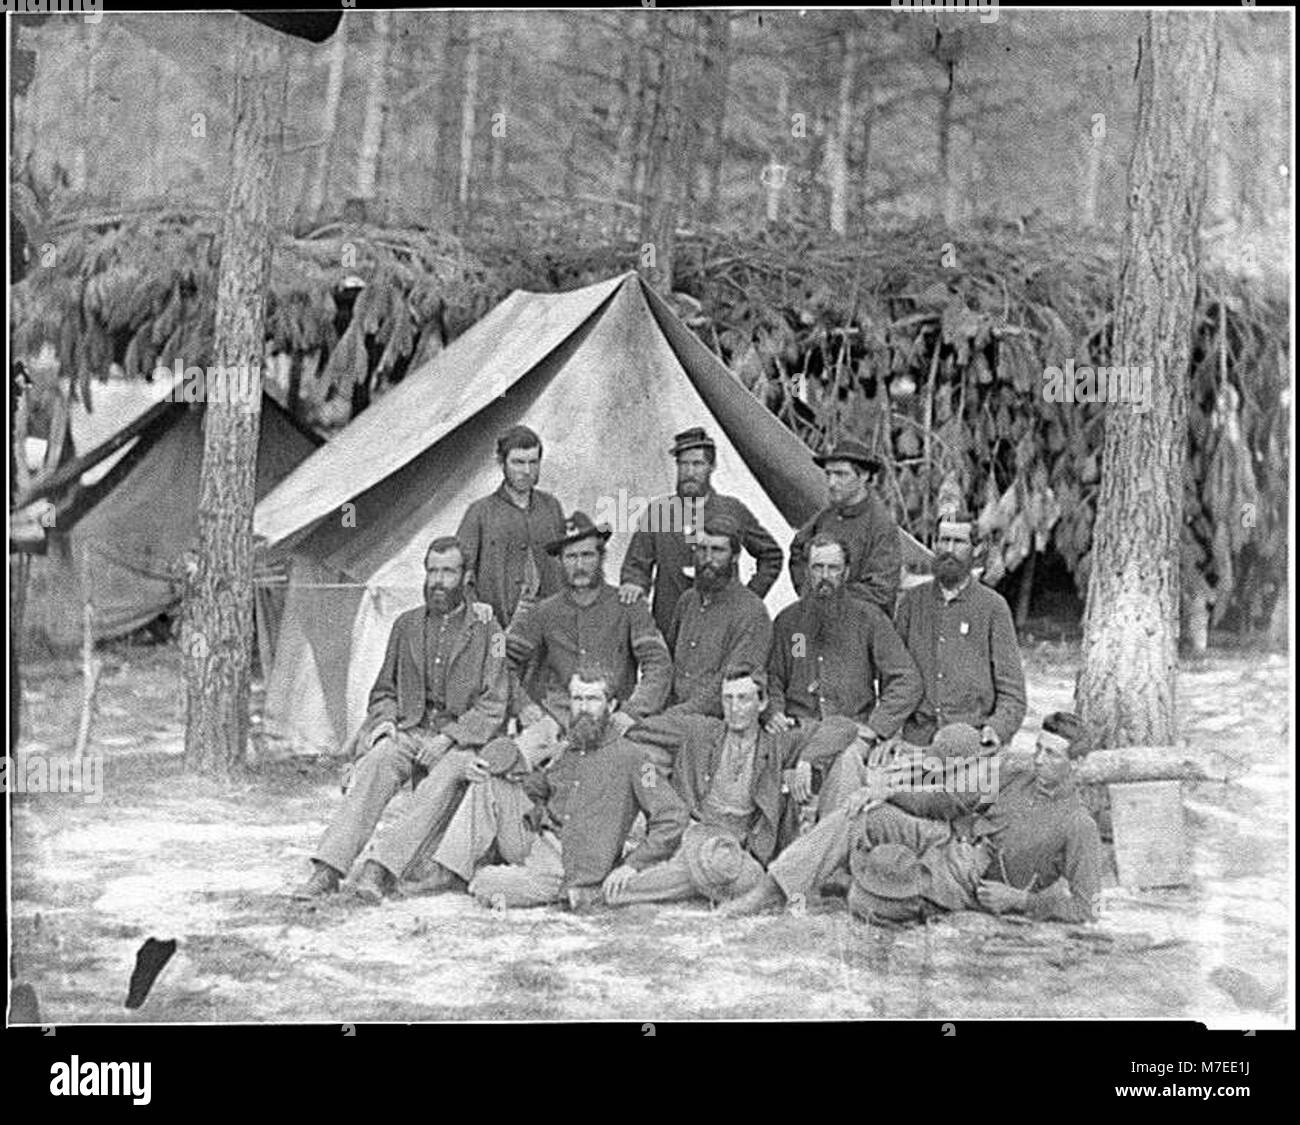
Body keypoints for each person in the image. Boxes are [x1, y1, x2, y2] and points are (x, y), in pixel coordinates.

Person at [721, 712, 1103, 925]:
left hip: (967, 887)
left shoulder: (1078, 825)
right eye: (1038, 749)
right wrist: (886, 792)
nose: (1039, 760)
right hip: (943, 841)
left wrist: (1021, 900)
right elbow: (946, 799)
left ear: (1078, 763)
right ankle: (771, 890)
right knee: (862, 814)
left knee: (863, 902)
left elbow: (1085, 908)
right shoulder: (1015, 776)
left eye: (1052, 755)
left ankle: (857, 878)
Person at [291, 536, 508, 903]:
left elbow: (494, 703)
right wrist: (386, 723)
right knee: (377, 761)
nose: (438, 581)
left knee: (445, 775)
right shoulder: (405, 625)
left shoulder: (492, 632)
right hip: (411, 729)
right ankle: (328, 868)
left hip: (460, 742)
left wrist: (450, 738)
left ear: (466, 577)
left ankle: (380, 869)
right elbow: (384, 691)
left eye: (449, 572)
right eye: (432, 571)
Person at [418, 663, 689, 908]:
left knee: (486, 885)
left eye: (593, 699)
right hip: (536, 837)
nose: (584, 708)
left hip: (562, 866)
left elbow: (672, 815)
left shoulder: (635, 759)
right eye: (577, 699)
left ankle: (476, 873)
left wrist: (633, 865)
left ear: (612, 705)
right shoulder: (570, 749)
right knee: (486, 781)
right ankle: (450, 871)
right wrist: (521, 785)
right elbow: (537, 788)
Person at [609, 664, 826, 906]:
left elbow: (841, 727)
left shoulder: (778, 744)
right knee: (732, 872)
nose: (734, 708)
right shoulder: (700, 730)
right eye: (728, 699)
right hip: (696, 832)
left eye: (743, 699)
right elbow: (643, 731)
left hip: (740, 845)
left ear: (762, 703)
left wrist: (807, 760)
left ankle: (631, 889)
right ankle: (701, 880)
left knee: (747, 876)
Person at [766, 533, 924, 815]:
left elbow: (906, 679)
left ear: (847, 572)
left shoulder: (868, 620)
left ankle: (829, 845)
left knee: (845, 778)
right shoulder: (790, 623)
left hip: (850, 733)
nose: (824, 576)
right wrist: (775, 711)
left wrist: (876, 726)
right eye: (817, 568)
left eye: (833, 568)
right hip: (800, 730)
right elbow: (775, 677)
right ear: (807, 571)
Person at [504, 510, 672, 765]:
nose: (579, 565)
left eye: (587, 555)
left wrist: (633, 712)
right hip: (557, 720)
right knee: (512, 763)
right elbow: (501, 661)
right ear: (559, 561)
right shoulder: (543, 611)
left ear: (601, 557)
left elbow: (658, 664)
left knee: (652, 767)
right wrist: (523, 705)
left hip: (614, 719)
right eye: (571, 557)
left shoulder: (628, 605)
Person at [619, 427, 783, 640]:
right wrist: (634, 583)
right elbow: (636, 563)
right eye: (683, 464)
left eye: (697, 464)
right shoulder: (659, 512)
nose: (689, 472)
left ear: (711, 467)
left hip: (722, 625)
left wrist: (748, 597)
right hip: (670, 625)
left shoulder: (732, 510)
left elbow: (771, 555)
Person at [893, 510, 1026, 749]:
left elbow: (1013, 693)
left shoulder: (992, 607)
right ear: (934, 545)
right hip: (918, 741)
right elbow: (893, 677)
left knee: (971, 784)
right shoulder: (911, 603)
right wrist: (889, 733)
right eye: (944, 540)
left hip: (971, 742)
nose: (949, 549)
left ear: (975, 549)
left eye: (959, 542)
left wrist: (996, 729)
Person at [456, 424, 566, 629]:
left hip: (549, 628)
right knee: (499, 660)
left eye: (533, 462)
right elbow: (460, 572)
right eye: (518, 462)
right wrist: (475, 607)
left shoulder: (551, 507)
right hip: (498, 628)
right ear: (501, 462)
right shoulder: (480, 512)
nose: (526, 471)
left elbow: (565, 565)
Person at [664, 513, 773, 718]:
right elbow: (667, 665)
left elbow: (727, 686)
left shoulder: (752, 611)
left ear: (735, 556)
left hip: (716, 721)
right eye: (702, 549)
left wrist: (672, 716)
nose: (707, 559)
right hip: (675, 713)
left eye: (718, 551)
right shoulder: (687, 601)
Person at [788, 438, 900, 616]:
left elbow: (880, 591)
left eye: (841, 474)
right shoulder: (826, 516)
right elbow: (798, 551)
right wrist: (809, 590)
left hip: (860, 627)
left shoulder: (881, 526)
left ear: (863, 476)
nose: (832, 483)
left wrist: (830, 596)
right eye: (829, 474)